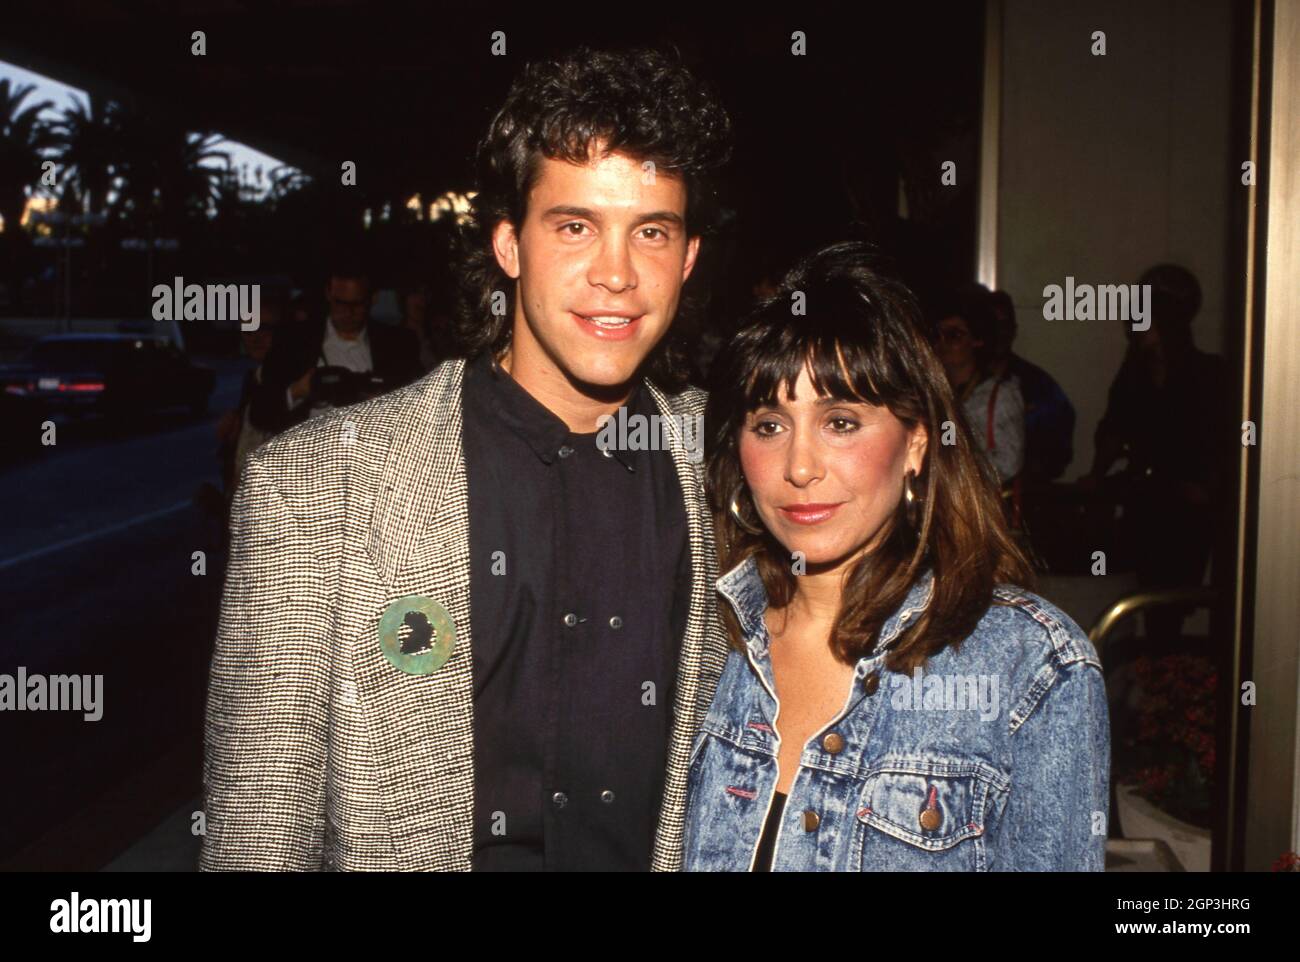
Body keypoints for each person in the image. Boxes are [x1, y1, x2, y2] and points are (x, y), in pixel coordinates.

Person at [200, 45, 734, 871]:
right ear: (509, 245)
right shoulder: (315, 484)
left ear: (688, 259)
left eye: (651, 232)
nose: (617, 274)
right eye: (575, 226)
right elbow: (258, 836)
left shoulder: (734, 469)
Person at [683, 242, 1109, 871]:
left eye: (842, 422)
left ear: (916, 443)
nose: (799, 468)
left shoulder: (1032, 668)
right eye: (769, 425)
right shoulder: (706, 643)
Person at [1078, 264, 1229, 643]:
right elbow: (1113, 428)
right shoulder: (1134, 374)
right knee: (1138, 595)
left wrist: (1207, 487)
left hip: (1187, 510)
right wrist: (1097, 475)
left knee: (1173, 603)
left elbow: (1224, 440)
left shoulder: (1207, 374)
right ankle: (1146, 677)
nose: (1134, 325)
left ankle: (1168, 680)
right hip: (1146, 503)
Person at [246, 260, 425, 436]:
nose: (348, 312)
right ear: (328, 294)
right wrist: (297, 391)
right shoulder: (293, 342)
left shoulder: (399, 344)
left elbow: (421, 409)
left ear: (373, 298)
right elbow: (260, 415)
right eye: (340, 303)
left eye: (357, 304)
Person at [932, 284, 1025, 486]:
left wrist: (961, 469)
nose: (943, 344)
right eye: (937, 335)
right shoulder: (939, 394)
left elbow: (1009, 464)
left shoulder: (999, 395)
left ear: (977, 340)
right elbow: (948, 442)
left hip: (981, 507)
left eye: (954, 335)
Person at [987, 289, 1076, 484]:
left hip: (1027, 498)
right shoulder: (961, 385)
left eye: (1005, 324)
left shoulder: (1037, 384)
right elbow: (947, 437)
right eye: (992, 325)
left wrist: (1029, 472)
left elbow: (1059, 448)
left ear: (1014, 329)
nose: (1000, 333)